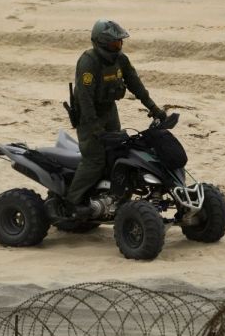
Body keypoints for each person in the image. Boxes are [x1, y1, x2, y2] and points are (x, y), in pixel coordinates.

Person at [66, 19, 167, 218]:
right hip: (89, 115)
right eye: (114, 44)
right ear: (101, 43)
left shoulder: (121, 60)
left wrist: (154, 108)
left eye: (120, 43)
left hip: (109, 110)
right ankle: (72, 202)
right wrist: (95, 128)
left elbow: (136, 85)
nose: (118, 47)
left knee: (117, 154)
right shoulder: (89, 61)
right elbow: (84, 98)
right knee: (94, 159)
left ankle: (109, 196)